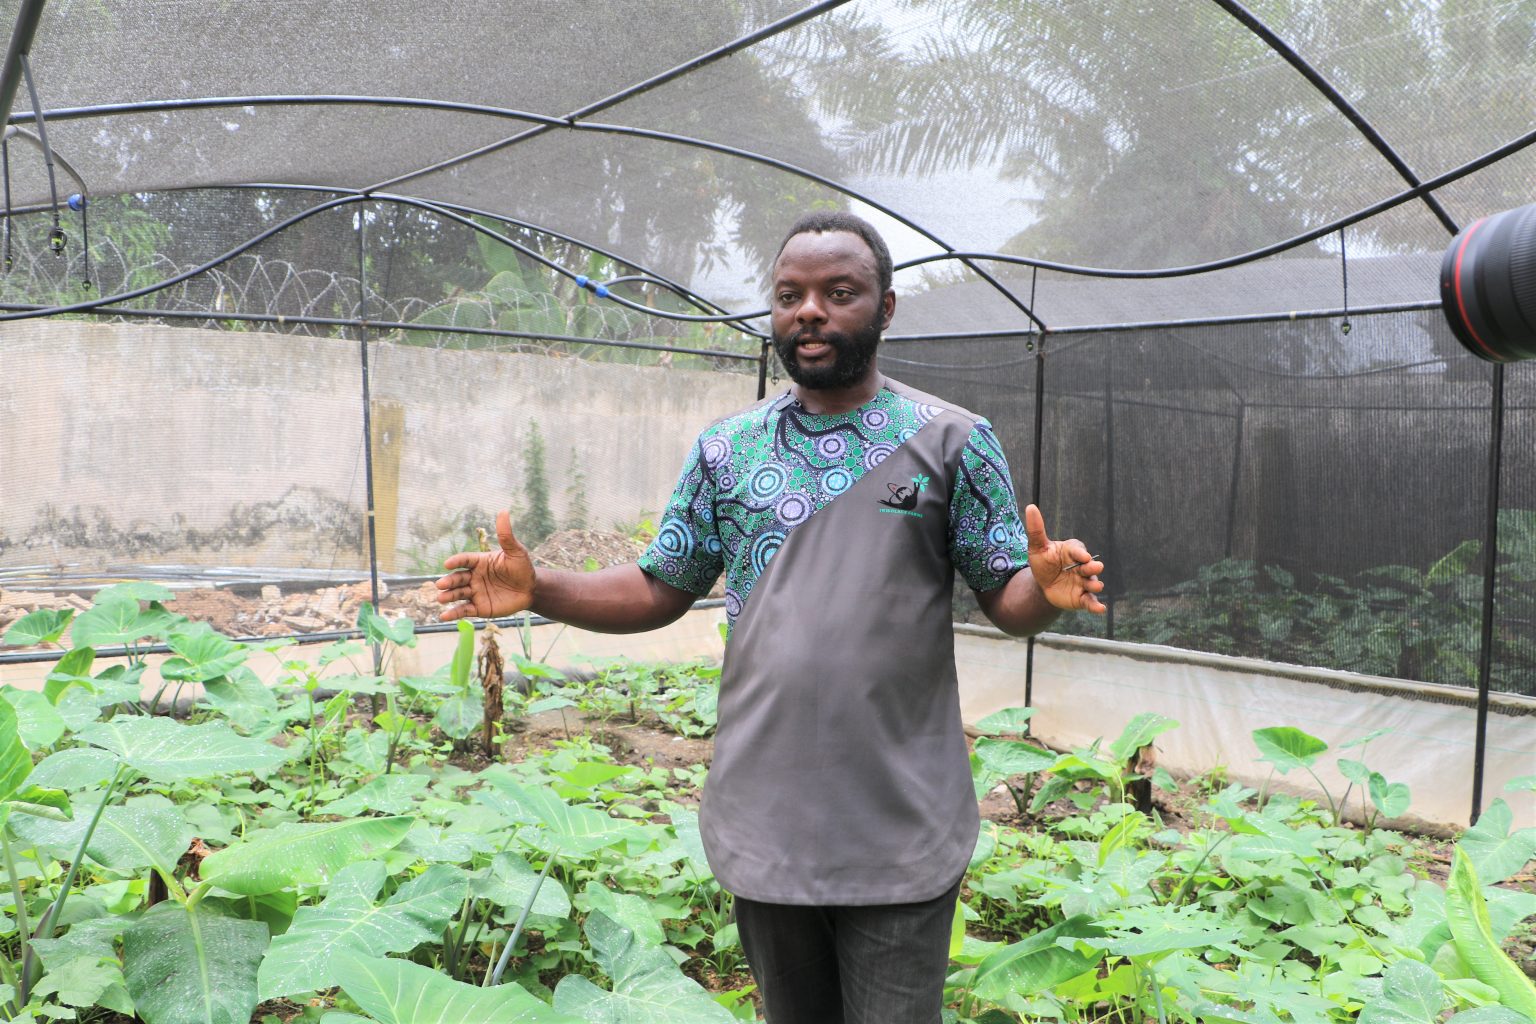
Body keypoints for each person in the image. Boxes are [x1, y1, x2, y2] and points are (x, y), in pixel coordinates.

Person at [436, 211, 1106, 1023]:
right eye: (790, 295)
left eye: (839, 292)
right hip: (768, 813)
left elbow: (1007, 596)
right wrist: (541, 588)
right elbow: (661, 585)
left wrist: (1044, 591)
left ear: (886, 308)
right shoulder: (728, 450)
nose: (809, 311)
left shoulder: (954, 441)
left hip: (899, 816)